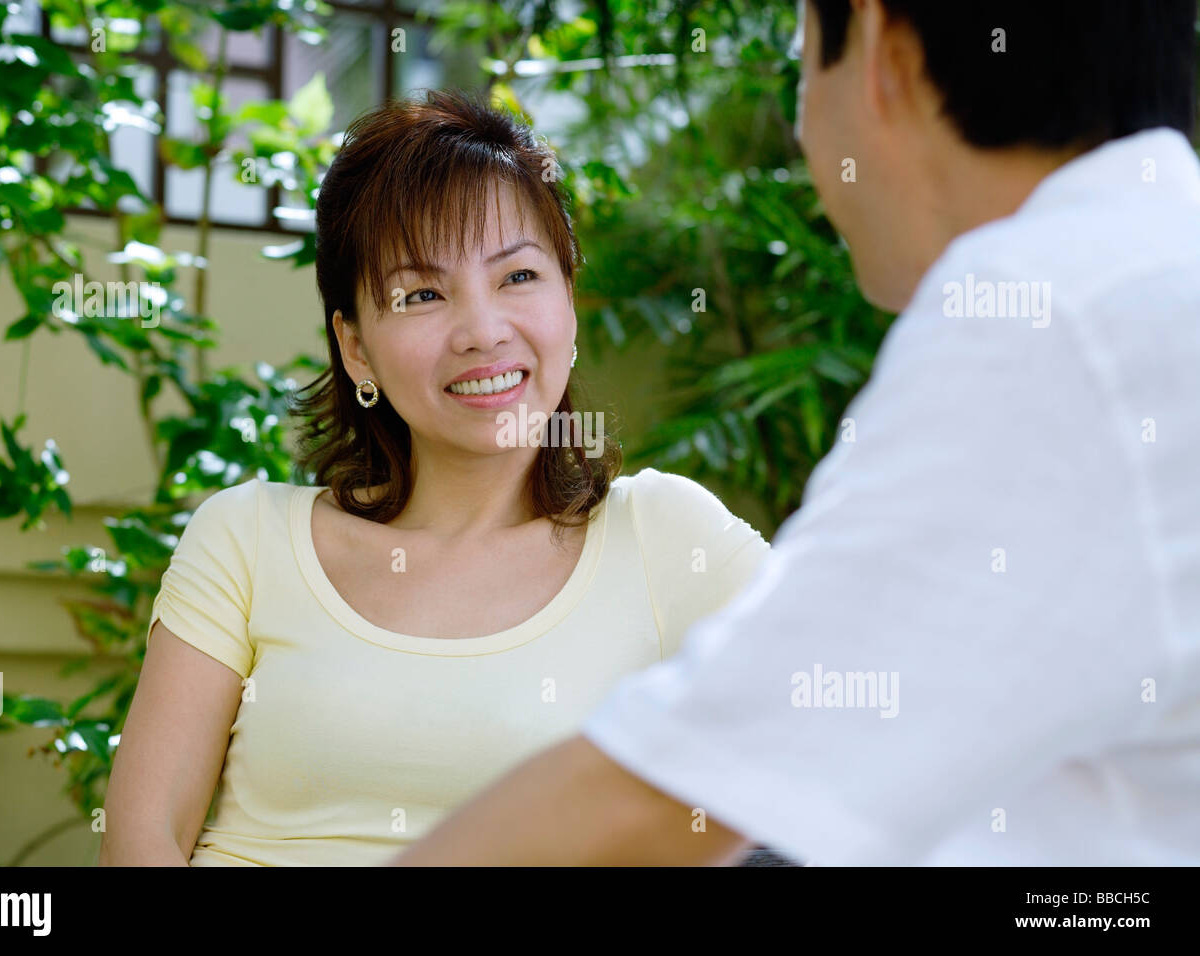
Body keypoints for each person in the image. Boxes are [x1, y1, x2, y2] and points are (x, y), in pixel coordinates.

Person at [390, 0, 1200, 866]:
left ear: (882, 47)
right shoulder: (1142, 270)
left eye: (805, 55)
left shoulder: (1049, 311)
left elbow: (658, 801)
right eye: (421, 292)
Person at [98, 90, 770, 866]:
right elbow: (143, 838)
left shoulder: (668, 538)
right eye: (421, 294)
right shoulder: (246, 539)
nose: (482, 331)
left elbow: (858, 741)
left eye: (518, 277)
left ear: (570, 303)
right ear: (354, 348)